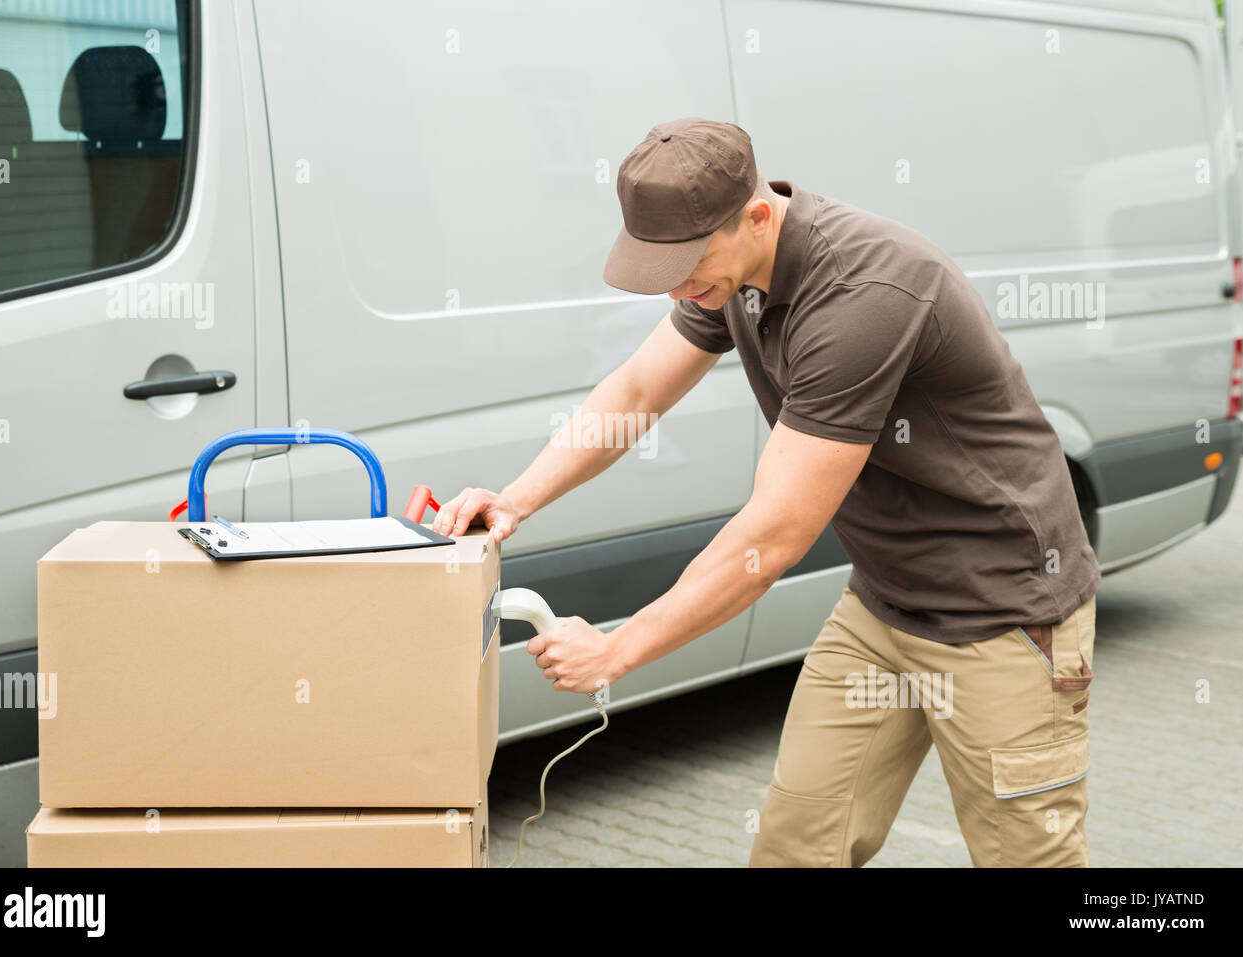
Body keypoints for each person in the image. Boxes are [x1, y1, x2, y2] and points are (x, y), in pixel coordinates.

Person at [432, 117, 1099, 867]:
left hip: (1002, 615)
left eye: (688, 265)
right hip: (886, 605)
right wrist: (517, 499)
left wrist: (618, 648)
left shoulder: (860, 297)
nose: (681, 287)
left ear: (756, 215)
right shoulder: (734, 271)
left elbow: (774, 533)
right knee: (796, 846)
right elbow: (638, 388)